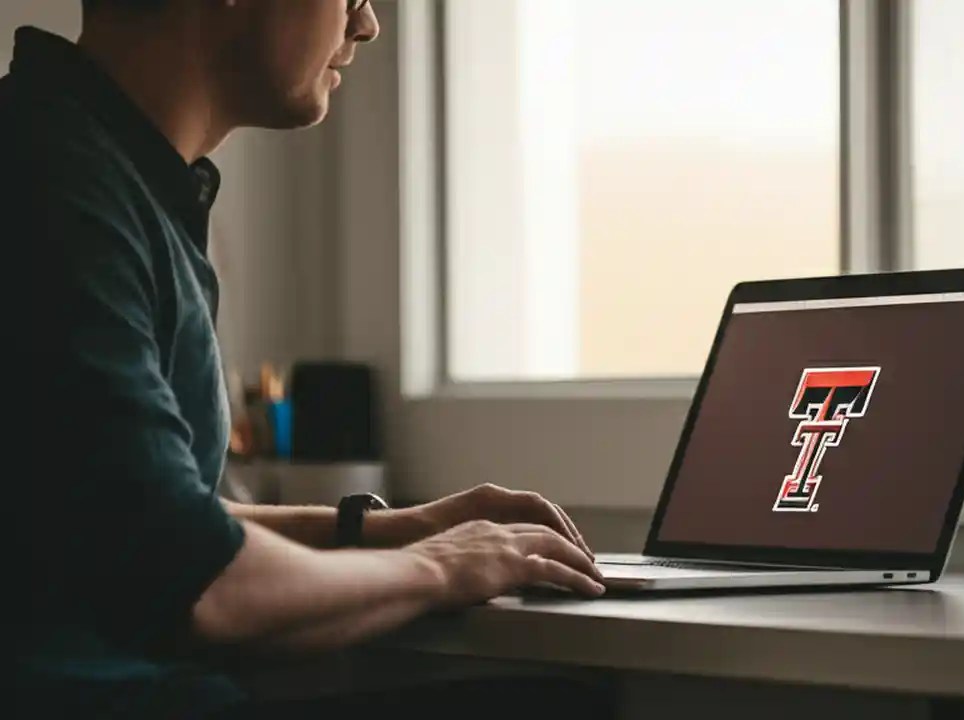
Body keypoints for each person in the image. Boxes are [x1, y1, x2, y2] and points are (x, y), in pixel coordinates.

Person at [3, 1, 611, 718]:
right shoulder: (55, 188)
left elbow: (136, 520)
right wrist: (442, 566)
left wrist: (391, 529)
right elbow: (206, 585)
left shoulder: (93, 163)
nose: (366, 23)